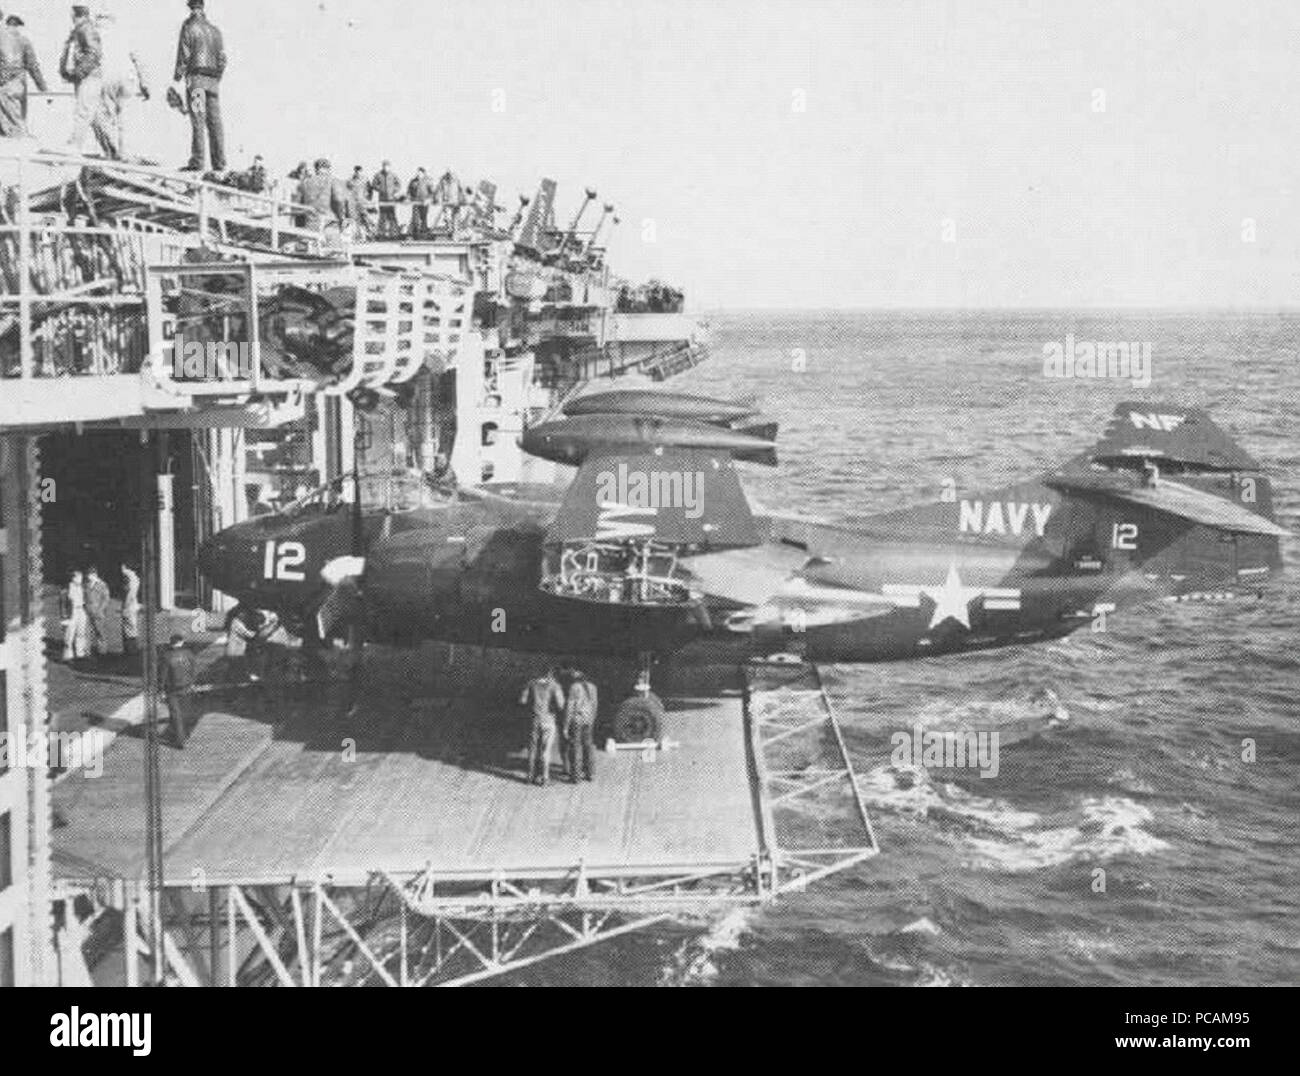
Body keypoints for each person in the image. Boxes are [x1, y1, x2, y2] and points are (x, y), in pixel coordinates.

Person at [173, 0, 226, 173]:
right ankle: (219, 163)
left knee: (198, 121)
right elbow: (222, 60)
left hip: (196, 82)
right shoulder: (216, 31)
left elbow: (184, 55)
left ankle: (198, 161)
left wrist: (177, 78)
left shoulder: (188, 26)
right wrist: (217, 77)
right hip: (213, 84)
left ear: (191, 8)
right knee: (215, 124)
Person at [93, 8, 150, 161]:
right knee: (124, 117)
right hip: (126, 78)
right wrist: (145, 84)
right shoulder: (124, 34)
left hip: (103, 78)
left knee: (99, 116)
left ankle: (111, 152)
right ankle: (125, 153)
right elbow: (138, 59)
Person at [62, 5, 104, 153]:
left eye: (72, 14)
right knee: (93, 115)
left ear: (76, 14)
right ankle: (113, 150)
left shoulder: (86, 29)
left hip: (88, 77)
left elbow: (93, 53)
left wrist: (79, 72)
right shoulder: (81, 29)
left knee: (83, 112)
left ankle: (75, 146)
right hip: (86, 77)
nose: (70, 17)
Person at [0, 14, 47, 138]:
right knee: (19, 118)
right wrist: (42, 86)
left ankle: (20, 148)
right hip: (20, 85)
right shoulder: (24, 41)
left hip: (5, 86)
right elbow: (33, 66)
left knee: (12, 126)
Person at [519, 667, 565, 786]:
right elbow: (561, 705)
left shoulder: (530, 684)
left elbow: (522, 701)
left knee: (532, 749)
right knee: (546, 750)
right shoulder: (555, 685)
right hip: (548, 720)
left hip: (534, 719)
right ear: (550, 674)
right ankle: (544, 778)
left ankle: (530, 776)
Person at [159, 633, 197, 748]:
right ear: (182, 642)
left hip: (172, 689)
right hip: (187, 687)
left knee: (176, 715)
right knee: (185, 712)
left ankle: (180, 740)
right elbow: (193, 670)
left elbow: (163, 676)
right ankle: (184, 734)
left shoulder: (166, 656)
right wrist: (193, 683)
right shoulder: (189, 654)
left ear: (171, 643)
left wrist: (161, 690)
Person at [562, 665, 598, 783]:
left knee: (576, 747)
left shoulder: (574, 687)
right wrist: (592, 719)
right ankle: (590, 773)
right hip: (588, 720)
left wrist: (566, 726)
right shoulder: (593, 687)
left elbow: (569, 707)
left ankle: (576, 776)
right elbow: (594, 705)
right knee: (588, 746)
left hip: (577, 720)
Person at [297, 158, 347, 230]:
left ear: (316, 169)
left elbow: (299, 204)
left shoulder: (305, 182)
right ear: (328, 169)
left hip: (310, 223)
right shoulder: (332, 180)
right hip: (328, 223)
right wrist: (342, 218)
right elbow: (338, 200)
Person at [223, 603, 260, 683]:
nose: (244, 615)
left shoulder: (236, 622)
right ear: (239, 614)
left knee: (234, 666)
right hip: (235, 649)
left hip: (235, 648)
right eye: (242, 613)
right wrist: (258, 632)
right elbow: (247, 634)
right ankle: (240, 680)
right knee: (238, 665)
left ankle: (231, 680)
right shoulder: (237, 623)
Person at [369, 160, 403, 238]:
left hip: (391, 199)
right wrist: (380, 189)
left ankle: (394, 233)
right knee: (382, 216)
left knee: (392, 216)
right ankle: (381, 234)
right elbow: (373, 184)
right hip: (382, 199)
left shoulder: (393, 175)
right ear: (382, 166)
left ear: (389, 167)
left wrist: (394, 190)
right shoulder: (378, 175)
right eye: (384, 166)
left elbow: (399, 184)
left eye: (387, 166)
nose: (386, 168)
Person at [62, 570, 89, 663]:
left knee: (81, 632)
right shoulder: (67, 589)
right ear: (73, 578)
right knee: (69, 635)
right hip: (71, 613)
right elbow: (62, 604)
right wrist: (64, 616)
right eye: (78, 577)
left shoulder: (82, 587)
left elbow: (86, 599)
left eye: (81, 577)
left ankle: (80, 654)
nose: (80, 579)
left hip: (81, 610)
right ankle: (67, 656)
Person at [84, 565, 110, 658]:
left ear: (95, 575)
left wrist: (101, 609)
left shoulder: (102, 585)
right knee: (87, 633)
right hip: (87, 612)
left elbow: (106, 599)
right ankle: (87, 652)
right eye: (88, 575)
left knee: (100, 632)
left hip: (98, 612)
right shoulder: (86, 584)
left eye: (90, 575)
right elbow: (84, 597)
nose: (88, 577)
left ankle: (102, 652)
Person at [120, 564, 140, 657]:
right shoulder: (134, 577)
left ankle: (131, 650)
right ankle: (132, 649)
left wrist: (125, 606)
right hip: (132, 605)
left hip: (129, 606)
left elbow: (130, 594)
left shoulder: (129, 577)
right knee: (131, 627)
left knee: (129, 628)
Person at [407, 167, 435, 238]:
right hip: (416, 203)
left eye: (420, 173)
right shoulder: (413, 181)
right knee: (415, 218)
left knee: (423, 218)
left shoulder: (428, 181)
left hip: (424, 203)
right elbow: (409, 191)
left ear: (423, 173)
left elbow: (432, 193)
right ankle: (416, 234)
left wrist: (428, 199)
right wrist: (409, 198)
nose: (418, 174)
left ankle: (424, 234)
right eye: (417, 173)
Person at [345, 165, 370, 237]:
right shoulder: (350, 181)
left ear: (361, 172)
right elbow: (347, 190)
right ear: (355, 172)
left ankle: (367, 233)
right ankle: (357, 234)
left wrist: (368, 198)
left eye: (360, 171)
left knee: (365, 217)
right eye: (357, 172)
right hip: (353, 202)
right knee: (355, 218)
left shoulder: (365, 180)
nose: (358, 173)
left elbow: (369, 190)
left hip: (362, 201)